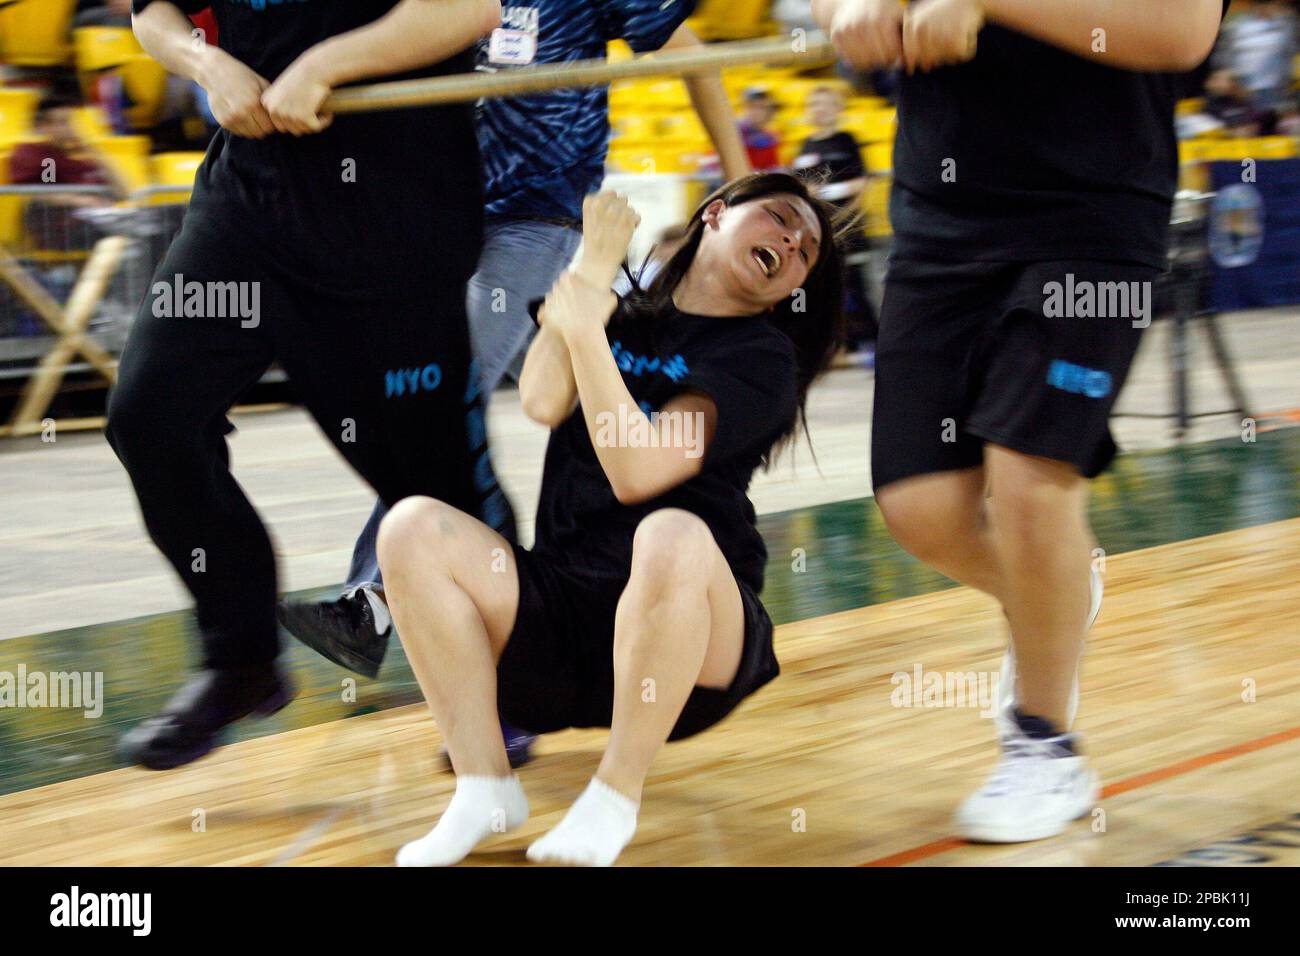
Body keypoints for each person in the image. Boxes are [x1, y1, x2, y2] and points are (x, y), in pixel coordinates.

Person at [275, 3, 752, 768]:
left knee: (438, 397)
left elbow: (689, 53)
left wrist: (740, 178)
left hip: (539, 220)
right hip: (444, 212)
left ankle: (373, 603)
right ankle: (510, 682)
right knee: (422, 410)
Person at [811, 0, 1226, 841]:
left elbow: (1182, 32)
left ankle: (1045, 748)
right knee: (920, 508)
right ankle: (1060, 586)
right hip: (942, 211)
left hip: (1094, 215)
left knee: (1031, 483)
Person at [379, 176, 845, 866]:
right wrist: (593, 271)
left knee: (672, 532)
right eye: (779, 219)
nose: (790, 241)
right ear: (713, 215)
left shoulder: (762, 361)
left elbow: (638, 470)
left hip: (692, 644)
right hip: (564, 615)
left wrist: (585, 328)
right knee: (411, 527)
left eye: (805, 250)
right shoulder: (621, 310)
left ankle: (612, 800)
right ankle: (484, 788)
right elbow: (539, 398)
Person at [105, 0, 512, 770]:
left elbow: (470, 7)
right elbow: (152, 10)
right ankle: (240, 659)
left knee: (432, 488)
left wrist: (327, 63)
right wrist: (206, 62)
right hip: (249, 211)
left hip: (396, 223)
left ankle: (511, 681)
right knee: (150, 415)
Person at [793, 84, 877, 360]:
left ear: (838, 109)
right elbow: (801, 186)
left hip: (848, 228)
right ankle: (833, 346)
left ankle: (873, 341)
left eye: (827, 104)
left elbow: (860, 183)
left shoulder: (847, 141)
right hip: (819, 229)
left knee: (855, 284)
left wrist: (827, 194)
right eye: (815, 104)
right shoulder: (805, 145)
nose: (821, 109)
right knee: (823, 287)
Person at [736, 87, 782, 171]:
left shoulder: (771, 137)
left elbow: (773, 167)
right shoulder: (734, 133)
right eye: (752, 107)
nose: (756, 112)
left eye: (761, 107)